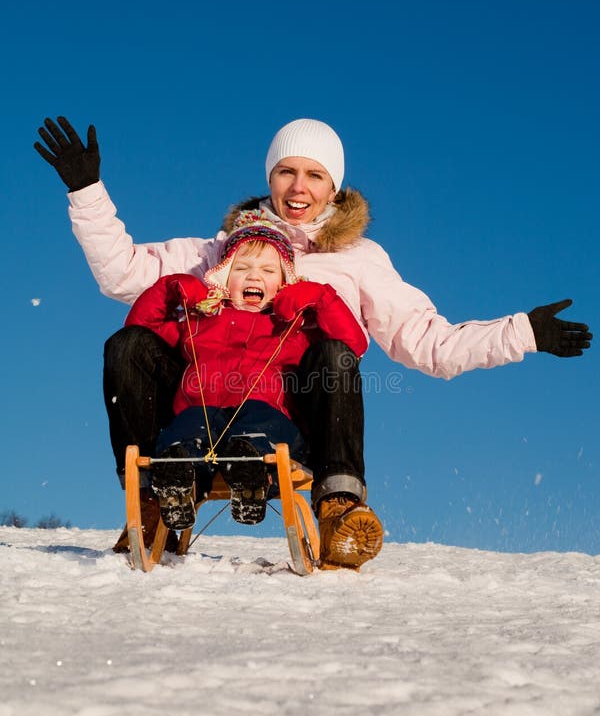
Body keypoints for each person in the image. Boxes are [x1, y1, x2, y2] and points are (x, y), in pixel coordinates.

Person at [34, 117, 592, 565]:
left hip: (290, 406)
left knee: (334, 353)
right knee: (128, 345)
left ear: (334, 187)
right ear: (270, 177)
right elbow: (123, 275)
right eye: (286, 172)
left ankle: (338, 506)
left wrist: (523, 331)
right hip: (200, 404)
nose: (298, 187)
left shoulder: (357, 261)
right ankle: (153, 495)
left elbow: (429, 343)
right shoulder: (222, 251)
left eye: (314, 175)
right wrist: (87, 191)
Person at [120, 211, 380, 569]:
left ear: (284, 283)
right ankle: (178, 479)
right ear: (224, 277)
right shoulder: (198, 322)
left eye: (269, 270)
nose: (254, 276)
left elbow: (351, 346)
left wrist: (320, 298)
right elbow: (137, 334)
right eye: (241, 268)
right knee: (188, 427)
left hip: (269, 419)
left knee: (257, 420)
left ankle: (250, 472)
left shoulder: (292, 329)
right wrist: (168, 290)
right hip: (202, 420)